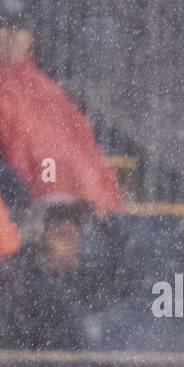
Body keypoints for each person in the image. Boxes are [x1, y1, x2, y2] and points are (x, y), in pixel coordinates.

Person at [0, 6, 122, 214]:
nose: (13, 36)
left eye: (19, 29)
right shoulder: (35, 88)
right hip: (43, 197)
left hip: (67, 197)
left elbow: (81, 144)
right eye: (7, 29)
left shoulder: (48, 89)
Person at [0, 200, 106, 349]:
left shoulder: (83, 279)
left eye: (74, 237)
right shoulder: (14, 276)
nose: (70, 245)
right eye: (61, 235)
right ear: (42, 236)